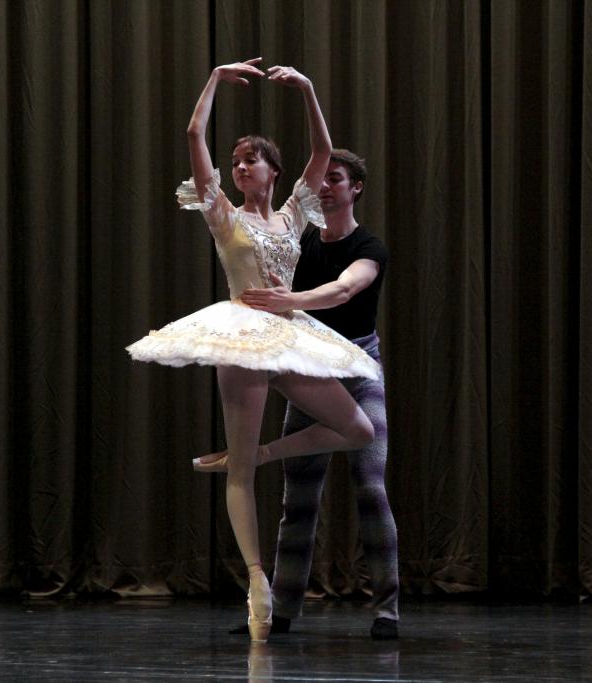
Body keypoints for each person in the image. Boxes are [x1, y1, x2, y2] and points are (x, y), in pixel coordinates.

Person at [126, 59, 381, 643]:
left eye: (250, 160)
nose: (240, 167)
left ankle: (266, 452)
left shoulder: (294, 214)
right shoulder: (223, 214)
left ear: (272, 171)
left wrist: (310, 90)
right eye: (236, 161)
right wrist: (214, 79)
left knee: (359, 429)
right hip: (242, 335)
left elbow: (324, 149)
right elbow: (194, 136)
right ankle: (257, 578)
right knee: (238, 472)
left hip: (289, 334)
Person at [199, 149, 400, 640]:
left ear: (355, 188)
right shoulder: (300, 241)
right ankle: (281, 610)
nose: (326, 186)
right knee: (299, 498)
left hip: (358, 368)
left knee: (371, 487)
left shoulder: (368, 245)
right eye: (323, 179)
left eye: (338, 179)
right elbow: (269, 270)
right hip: (309, 365)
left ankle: (387, 610)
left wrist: (293, 300)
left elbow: (345, 289)